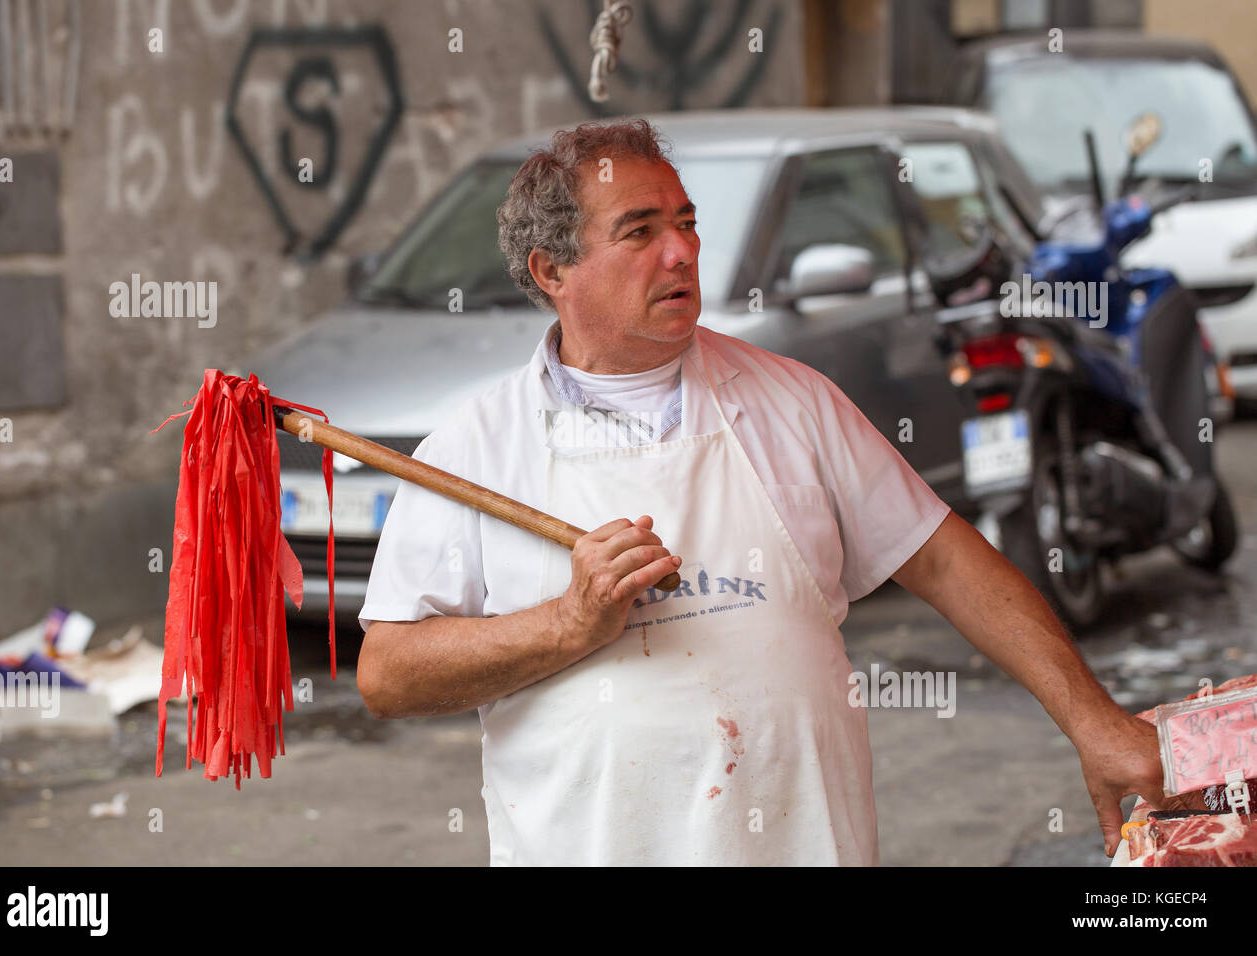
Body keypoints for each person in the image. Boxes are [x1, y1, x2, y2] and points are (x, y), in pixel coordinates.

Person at [356, 118, 1168, 866]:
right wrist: (568, 624)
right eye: (640, 231)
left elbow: (948, 564)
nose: (680, 252)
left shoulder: (794, 400)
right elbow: (388, 675)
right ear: (551, 270)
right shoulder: (475, 450)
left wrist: (1095, 722)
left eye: (686, 223)